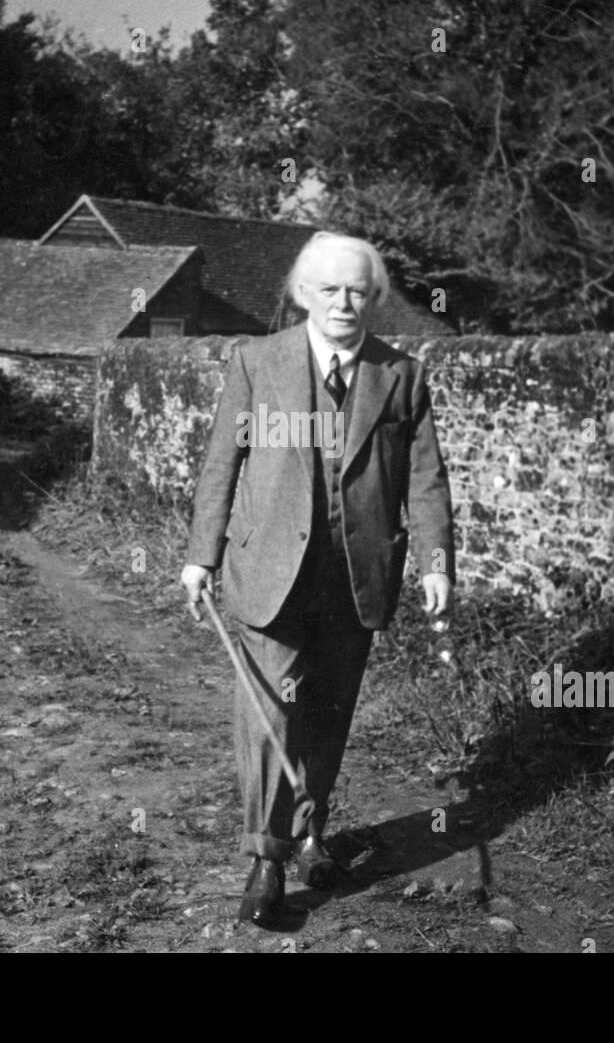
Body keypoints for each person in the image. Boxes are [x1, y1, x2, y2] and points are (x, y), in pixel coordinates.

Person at [180, 231, 455, 926]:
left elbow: (426, 479)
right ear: (305, 294)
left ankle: (310, 831)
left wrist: (435, 560)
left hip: (355, 575)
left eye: (359, 290)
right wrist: (200, 554)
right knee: (269, 710)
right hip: (268, 568)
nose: (344, 302)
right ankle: (266, 857)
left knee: (328, 712)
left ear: (374, 299)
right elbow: (221, 464)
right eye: (329, 289)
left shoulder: (402, 374)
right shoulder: (256, 361)